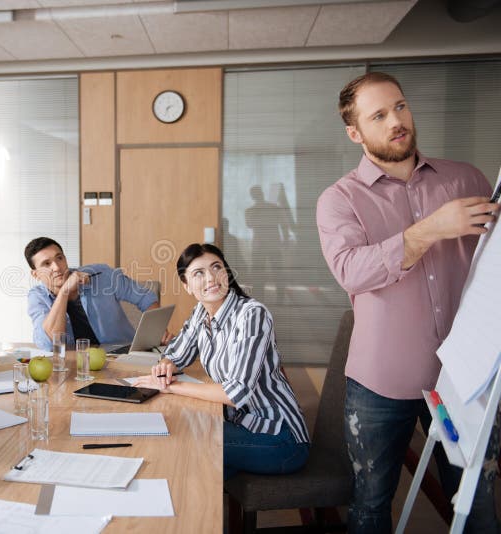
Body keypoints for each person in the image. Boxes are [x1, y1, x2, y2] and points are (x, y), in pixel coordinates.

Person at [316, 72, 501, 533]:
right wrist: (432, 229)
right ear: (355, 133)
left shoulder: (466, 179)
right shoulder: (339, 200)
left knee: (476, 502)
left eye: (400, 106)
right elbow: (352, 272)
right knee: (371, 504)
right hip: (380, 381)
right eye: (379, 115)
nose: (396, 121)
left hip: (465, 378)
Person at [134, 243, 309, 479]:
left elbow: (236, 393)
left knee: (183, 443)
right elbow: (178, 354)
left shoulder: (252, 314)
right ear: (186, 286)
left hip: (281, 437)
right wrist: (166, 364)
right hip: (242, 424)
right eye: (199, 273)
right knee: (192, 454)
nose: (211, 278)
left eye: (217, 267)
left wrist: (171, 387)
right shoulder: (201, 313)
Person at [25, 237, 161, 350]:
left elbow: (146, 297)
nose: (56, 267)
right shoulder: (37, 297)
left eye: (59, 258)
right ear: (35, 274)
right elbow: (50, 344)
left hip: (120, 355)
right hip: (72, 365)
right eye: (46, 264)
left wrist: (155, 331)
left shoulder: (101, 274)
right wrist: (64, 292)